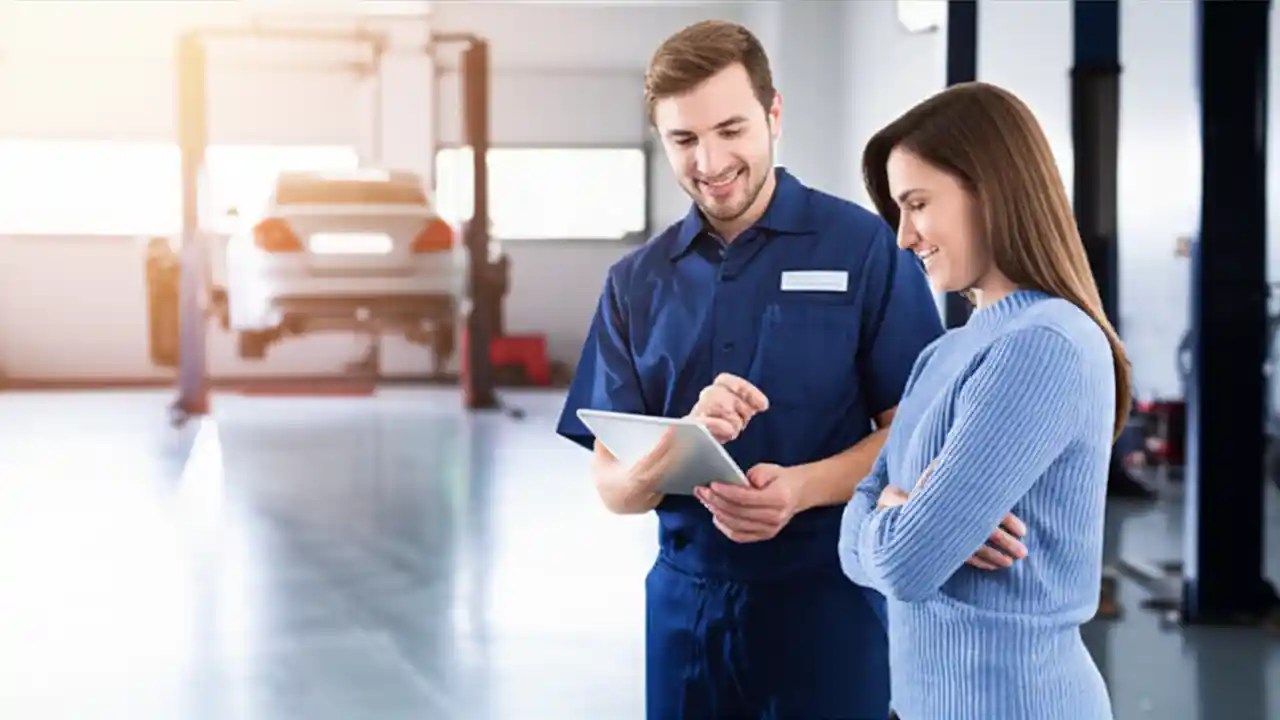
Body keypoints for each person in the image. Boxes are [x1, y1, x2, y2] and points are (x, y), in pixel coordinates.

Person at [555, 19, 943, 720]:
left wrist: (800, 488)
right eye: (684, 139)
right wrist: (678, 443)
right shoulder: (635, 283)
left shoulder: (863, 248)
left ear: (774, 114)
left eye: (731, 129)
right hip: (684, 612)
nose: (709, 160)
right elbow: (613, 487)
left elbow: (917, 435)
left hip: (831, 602)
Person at [837, 80, 1131, 720]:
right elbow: (857, 538)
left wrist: (894, 518)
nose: (904, 236)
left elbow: (906, 564)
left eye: (918, 204)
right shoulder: (943, 354)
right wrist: (901, 512)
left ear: (988, 189)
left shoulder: (1045, 344)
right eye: (898, 211)